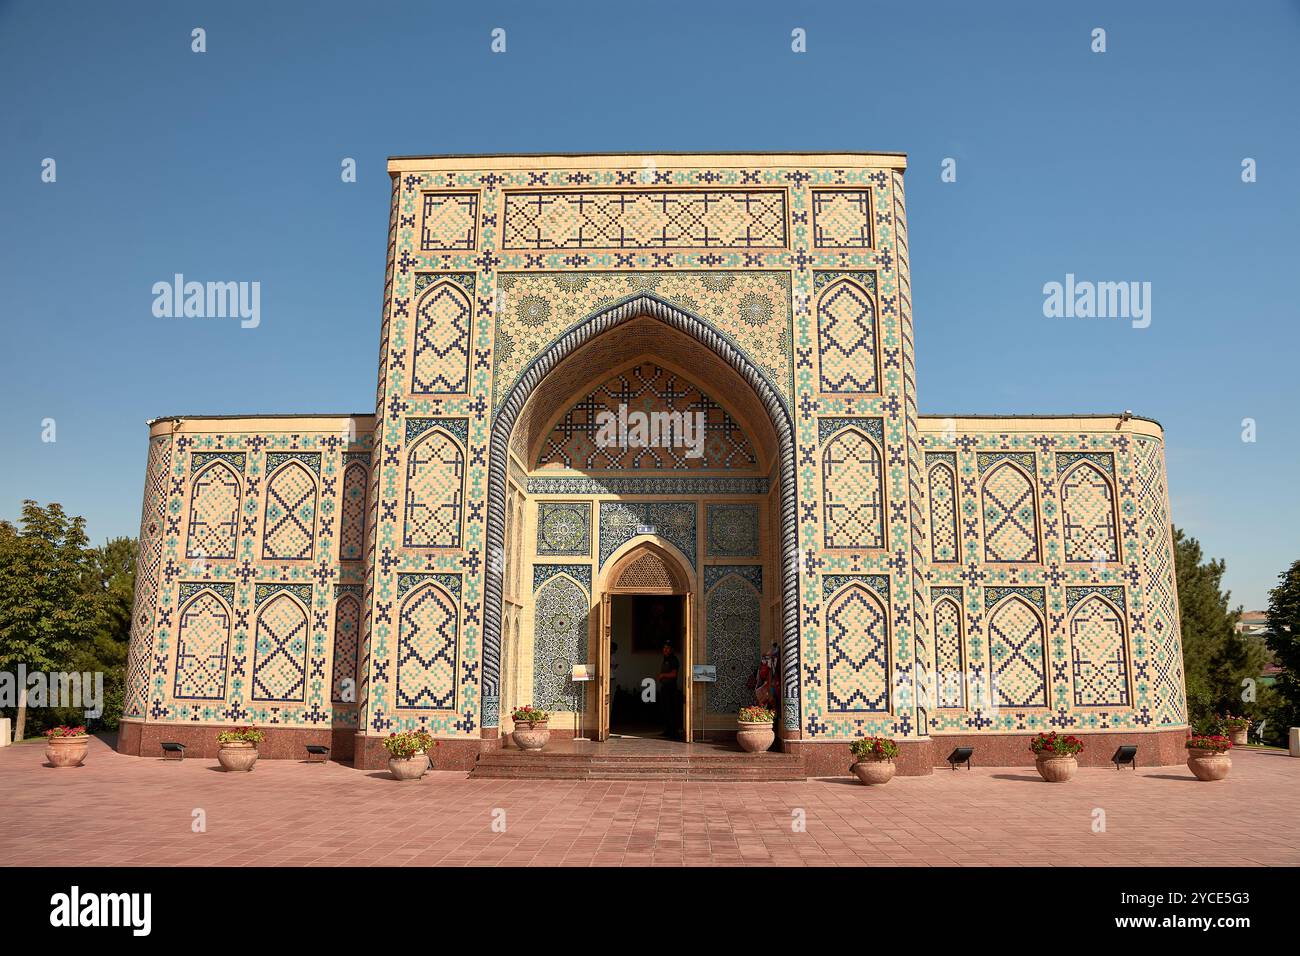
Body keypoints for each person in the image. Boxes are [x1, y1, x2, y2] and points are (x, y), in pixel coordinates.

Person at [657, 640, 681, 739]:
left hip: (670, 689)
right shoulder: (665, 659)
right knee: (665, 709)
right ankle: (668, 730)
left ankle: (674, 732)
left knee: (671, 710)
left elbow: (674, 674)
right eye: (664, 648)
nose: (665, 650)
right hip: (665, 687)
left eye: (667, 648)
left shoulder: (673, 660)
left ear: (671, 650)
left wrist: (662, 675)